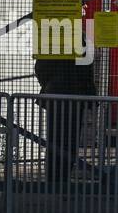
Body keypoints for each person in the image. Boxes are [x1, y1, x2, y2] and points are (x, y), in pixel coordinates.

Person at [34, 50, 97, 186]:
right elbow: (87, 72)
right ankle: (63, 178)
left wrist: (48, 85)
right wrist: (91, 96)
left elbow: (40, 68)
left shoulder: (52, 39)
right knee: (71, 140)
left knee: (54, 139)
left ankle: (53, 179)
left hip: (55, 97)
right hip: (76, 98)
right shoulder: (82, 41)